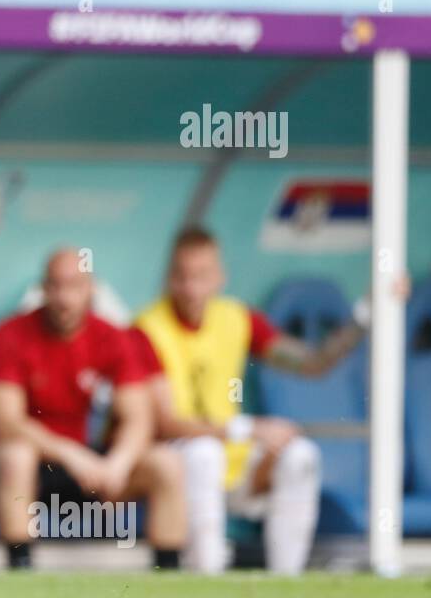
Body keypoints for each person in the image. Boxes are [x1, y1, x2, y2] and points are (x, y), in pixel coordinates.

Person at [129, 226, 371, 574]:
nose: (191, 288)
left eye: (201, 276)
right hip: (180, 462)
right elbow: (165, 421)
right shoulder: (146, 328)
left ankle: (287, 585)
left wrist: (364, 314)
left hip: (237, 461)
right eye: (182, 276)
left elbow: (313, 363)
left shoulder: (237, 318)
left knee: (301, 456)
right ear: (169, 278)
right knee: (204, 454)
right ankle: (206, 580)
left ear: (220, 277)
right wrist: (249, 428)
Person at [0, 249, 186, 570]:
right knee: (17, 456)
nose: (63, 297)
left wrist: (118, 463)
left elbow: (139, 417)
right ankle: (19, 575)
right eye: (55, 286)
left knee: (165, 462)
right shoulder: (10, 334)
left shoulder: (111, 336)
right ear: (43, 289)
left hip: (84, 470)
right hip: (12, 468)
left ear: (92, 289)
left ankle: (170, 580)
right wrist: (72, 454)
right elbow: (7, 423)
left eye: (73, 286)